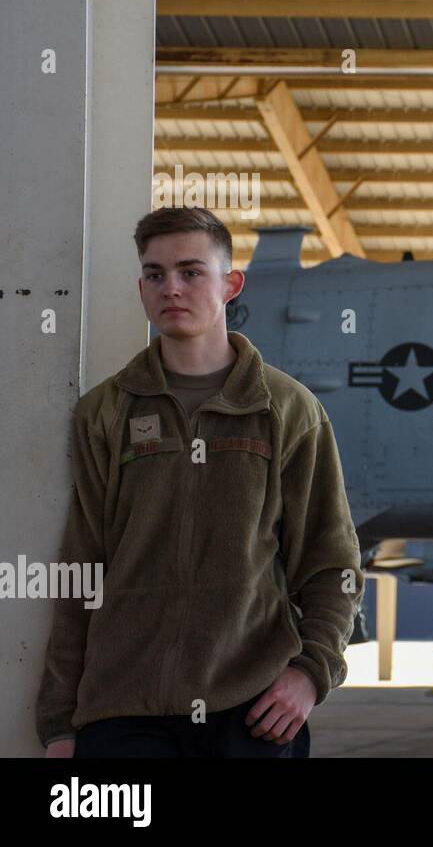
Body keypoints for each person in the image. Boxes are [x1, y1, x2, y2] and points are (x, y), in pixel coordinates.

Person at [36, 206, 364, 757]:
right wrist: (59, 724)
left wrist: (311, 673)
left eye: (192, 272)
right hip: (124, 712)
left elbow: (331, 562)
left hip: (252, 713)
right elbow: (81, 568)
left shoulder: (287, 410)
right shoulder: (105, 413)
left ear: (231, 284)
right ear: (141, 289)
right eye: (156, 274)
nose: (172, 288)